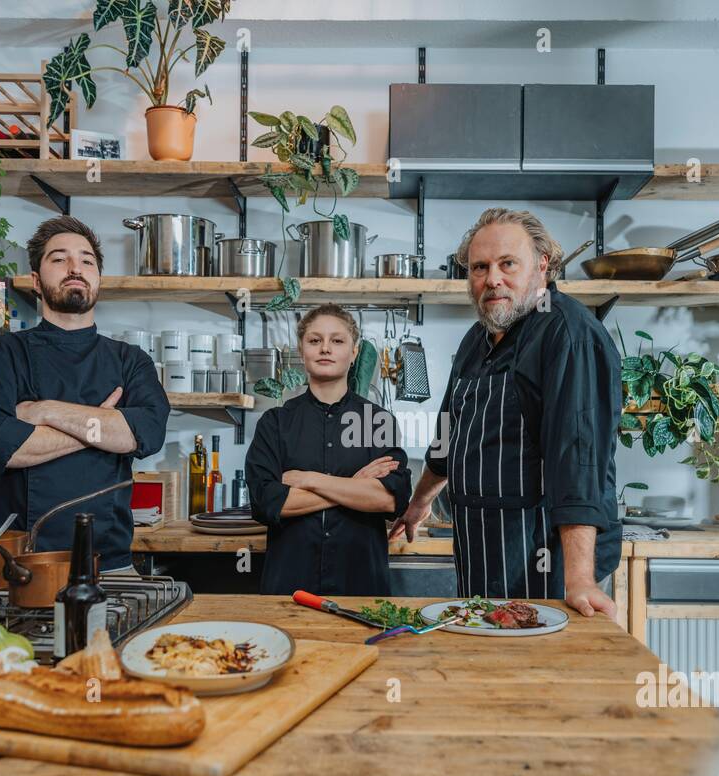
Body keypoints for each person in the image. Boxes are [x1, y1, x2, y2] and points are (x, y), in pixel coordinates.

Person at [389, 208, 622, 618]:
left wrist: (580, 579)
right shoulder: (475, 340)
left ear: (542, 264)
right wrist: (418, 502)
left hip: (545, 559)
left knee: (539, 677)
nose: (492, 278)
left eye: (507, 263)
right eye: (479, 267)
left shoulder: (568, 333)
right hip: (481, 553)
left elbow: (578, 460)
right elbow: (447, 436)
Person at [0, 215, 170, 573]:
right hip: (20, 563)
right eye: (59, 259)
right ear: (35, 281)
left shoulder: (130, 361)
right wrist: (103, 425)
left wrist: (44, 411)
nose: (75, 267)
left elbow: (147, 433)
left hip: (109, 562)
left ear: (98, 279)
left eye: (87, 260)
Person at [246, 305, 412, 595]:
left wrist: (309, 480)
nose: (325, 348)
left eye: (337, 341)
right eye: (314, 340)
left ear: (354, 352)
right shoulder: (275, 423)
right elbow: (267, 503)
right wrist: (356, 487)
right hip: (289, 586)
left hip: (361, 585)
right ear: (302, 350)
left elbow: (389, 499)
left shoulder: (377, 421)